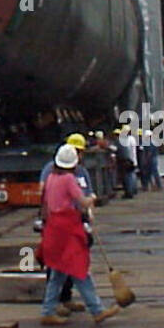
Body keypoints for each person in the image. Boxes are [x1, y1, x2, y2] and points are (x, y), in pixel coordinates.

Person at [39, 144, 120, 326]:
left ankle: (47, 311)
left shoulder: (51, 177)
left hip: (54, 229)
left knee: (58, 273)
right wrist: (92, 199)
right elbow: (82, 201)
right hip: (68, 230)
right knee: (80, 269)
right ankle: (97, 310)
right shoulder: (68, 179)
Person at [39, 134, 94, 312]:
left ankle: (62, 300)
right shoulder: (55, 173)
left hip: (74, 224)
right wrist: (90, 201)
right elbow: (82, 198)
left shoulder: (81, 172)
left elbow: (86, 190)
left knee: (62, 270)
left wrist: (89, 216)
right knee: (65, 267)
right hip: (63, 226)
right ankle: (94, 308)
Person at [117, 126, 138, 198]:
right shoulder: (132, 139)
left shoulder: (126, 140)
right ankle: (134, 190)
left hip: (128, 160)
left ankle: (129, 192)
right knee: (132, 175)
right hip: (133, 160)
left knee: (128, 177)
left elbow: (126, 150)